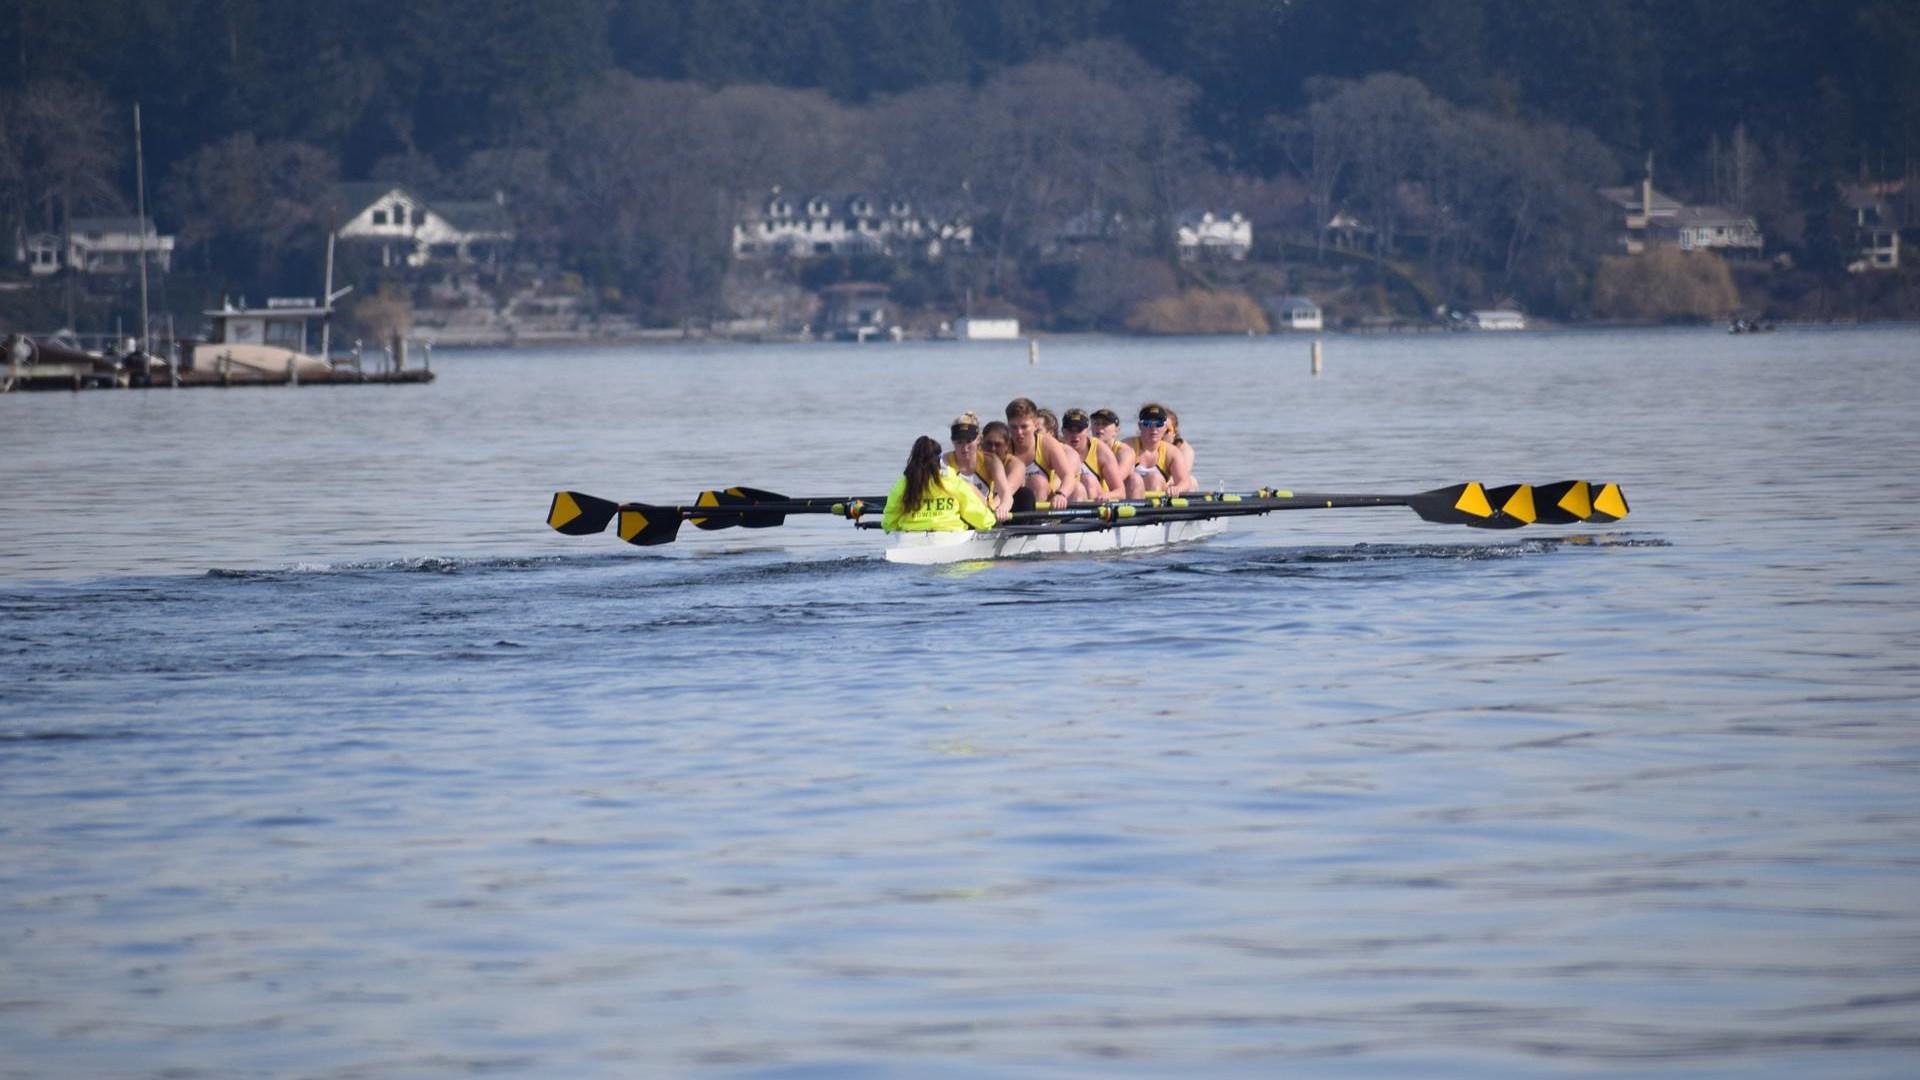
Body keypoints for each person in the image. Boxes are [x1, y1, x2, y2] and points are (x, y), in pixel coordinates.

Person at [882, 435, 998, 533]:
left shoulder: (905, 482)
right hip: (949, 535)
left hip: (911, 537)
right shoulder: (951, 480)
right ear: (939, 460)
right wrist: (989, 520)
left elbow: (892, 511)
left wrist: (888, 527)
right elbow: (972, 509)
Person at [1004, 397, 1086, 510]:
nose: (1019, 433)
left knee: (1037, 481)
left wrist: (1061, 494)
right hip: (1013, 504)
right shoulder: (1003, 447)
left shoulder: (1047, 444)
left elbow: (1068, 476)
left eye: (1024, 426)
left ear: (1035, 425)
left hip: (1042, 503)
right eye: (1013, 427)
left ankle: (1039, 523)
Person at [943, 412, 1015, 521]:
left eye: (968, 441)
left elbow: (1006, 494)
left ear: (979, 439)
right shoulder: (943, 462)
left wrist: (1003, 508)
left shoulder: (991, 461)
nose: (965, 447)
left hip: (984, 515)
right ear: (952, 441)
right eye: (959, 442)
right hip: (955, 518)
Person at [1123, 402, 1196, 496]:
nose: (1154, 428)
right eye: (1148, 423)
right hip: (1130, 495)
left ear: (1165, 427)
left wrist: (1177, 488)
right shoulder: (1126, 446)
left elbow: (1185, 482)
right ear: (1140, 426)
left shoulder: (1173, 452)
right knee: (1138, 479)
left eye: (1159, 424)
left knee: (1155, 478)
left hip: (1157, 493)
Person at [1059, 408, 1129, 501]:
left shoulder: (1100, 450)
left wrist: (1106, 496)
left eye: (1079, 430)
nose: (1075, 435)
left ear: (1087, 431)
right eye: (1070, 430)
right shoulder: (1056, 448)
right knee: (1077, 488)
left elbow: (1120, 492)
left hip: (1097, 501)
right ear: (1062, 431)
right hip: (1066, 499)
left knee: (1088, 480)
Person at [1090, 408, 1139, 485]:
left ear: (1117, 430)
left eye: (1105, 424)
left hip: (1115, 493)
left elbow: (1117, 479)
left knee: (1135, 479)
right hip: (1094, 491)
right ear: (1091, 428)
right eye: (1096, 423)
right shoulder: (1083, 448)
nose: (1099, 427)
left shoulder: (1125, 452)